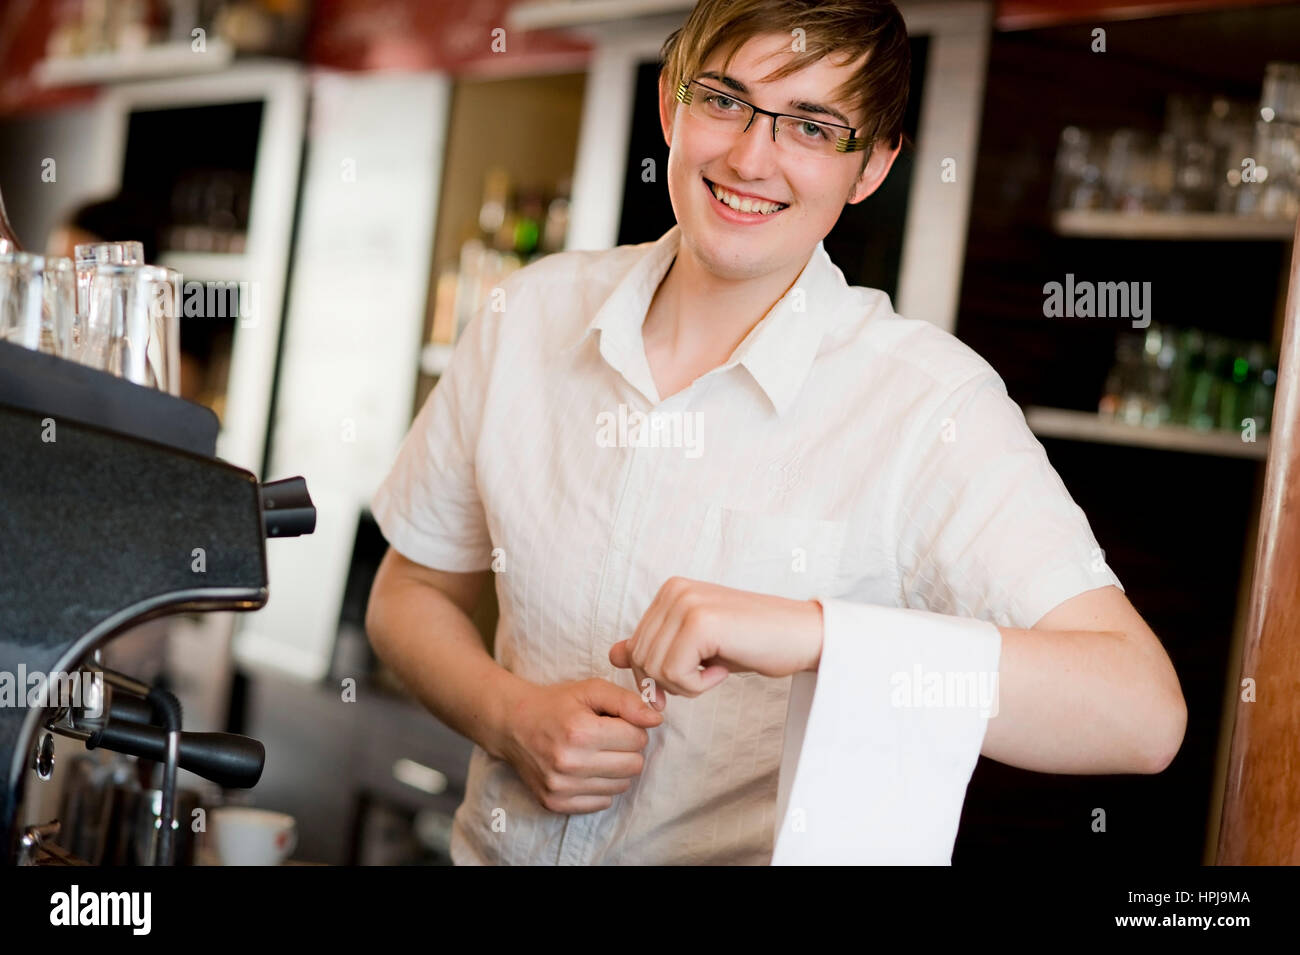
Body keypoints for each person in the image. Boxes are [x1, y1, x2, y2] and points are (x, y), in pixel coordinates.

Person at [366, 0, 1187, 865]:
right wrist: (509, 716)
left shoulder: (930, 405)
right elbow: (409, 592)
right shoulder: (526, 315)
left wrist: (817, 634)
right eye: (724, 100)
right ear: (671, 104)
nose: (750, 159)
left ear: (871, 165)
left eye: (812, 126)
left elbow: (1142, 712)